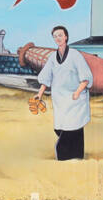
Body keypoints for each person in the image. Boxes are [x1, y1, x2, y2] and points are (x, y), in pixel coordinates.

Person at [34, 25, 92, 160]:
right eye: (55, 36)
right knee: (61, 129)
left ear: (66, 37)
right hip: (60, 100)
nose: (58, 38)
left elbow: (86, 77)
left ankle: (66, 157)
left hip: (75, 99)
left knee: (72, 129)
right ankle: (77, 155)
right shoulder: (53, 58)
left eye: (60, 35)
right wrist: (40, 93)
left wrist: (78, 92)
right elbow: (46, 76)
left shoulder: (75, 55)